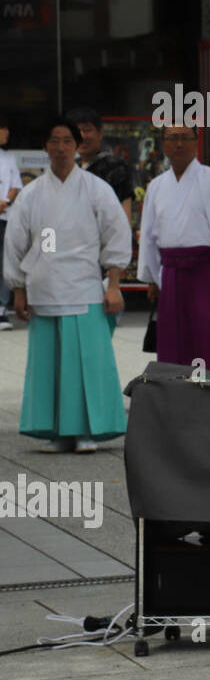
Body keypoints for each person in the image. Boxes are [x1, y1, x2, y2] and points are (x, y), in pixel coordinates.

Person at [3, 121, 131, 453]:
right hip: (43, 287)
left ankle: (88, 430)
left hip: (85, 287)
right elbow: (15, 243)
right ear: (45, 147)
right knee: (50, 368)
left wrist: (113, 285)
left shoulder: (96, 188)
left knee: (88, 363)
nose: (61, 147)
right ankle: (57, 432)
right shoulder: (30, 194)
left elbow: (116, 234)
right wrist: (18, 289)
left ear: (77, 146)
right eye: (54, 141)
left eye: (67, 141)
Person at [137, 123, 210, 374]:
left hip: (204, 270)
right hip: (171, 271)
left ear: (196, 142)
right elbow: (150, 235)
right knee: (174, 336)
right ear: (163, 144)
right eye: (172, 138)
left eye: (185, 138)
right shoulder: (156, 186)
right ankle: (176, 391)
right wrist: (151, 277)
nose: (178, 144)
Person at [69, 106, 134, 223]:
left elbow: (125, 213)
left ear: (100, 133)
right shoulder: (72, 168)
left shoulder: (116, 167)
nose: (82, 136)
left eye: (87, 130)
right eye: (77, 131)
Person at [0, 115, 24, 331]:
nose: (6, 133)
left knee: (4, 263)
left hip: (5, 216)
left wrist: (6, 201)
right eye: (3, 129)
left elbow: (16, 185)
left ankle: (1, 310)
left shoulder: (9, 158)